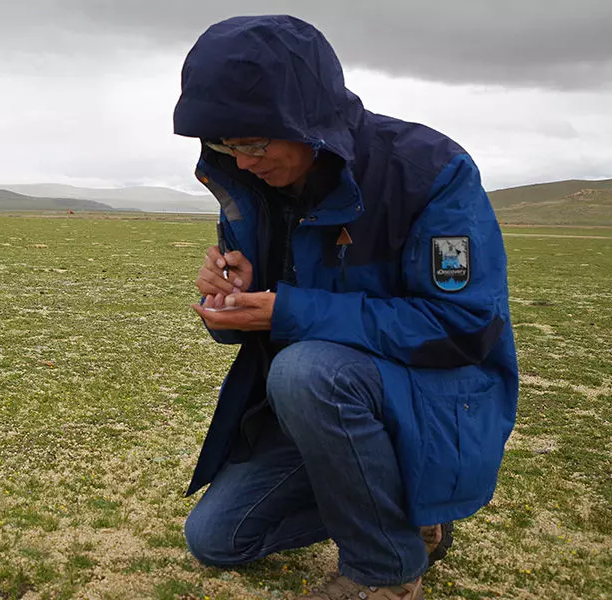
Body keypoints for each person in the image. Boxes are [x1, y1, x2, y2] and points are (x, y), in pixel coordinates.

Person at [174, 16, 517, 600]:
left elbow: (462, 328)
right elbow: (263, 325)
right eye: (223, 144)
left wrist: (285, 312)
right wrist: (230, 299)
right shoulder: (250, 185)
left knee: (306, 370)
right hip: (328, 410)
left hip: (430, 401)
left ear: (303, 118)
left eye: (253, 142)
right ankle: (401, 511)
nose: (242, 159)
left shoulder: (427, 172)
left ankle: (383, 570)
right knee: (217, 539)